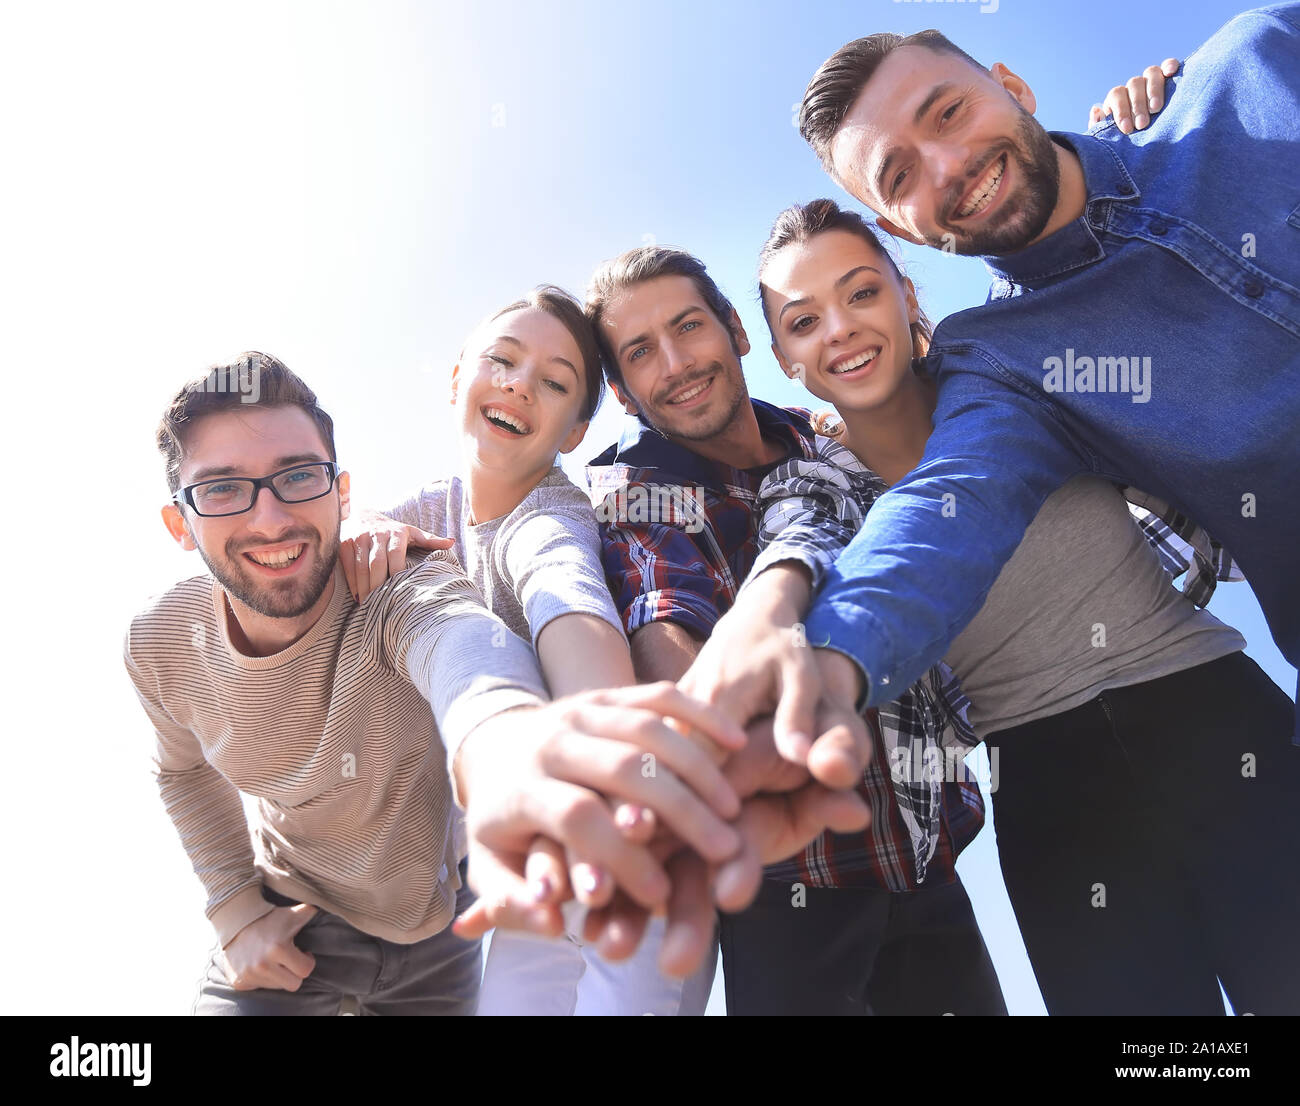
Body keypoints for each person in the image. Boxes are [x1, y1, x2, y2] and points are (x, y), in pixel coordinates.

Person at [690, 196, 1300, 1014]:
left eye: (861, 292)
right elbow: (794, 543)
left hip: (1216, 723)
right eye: (804, 321)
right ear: (784, 357)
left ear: (907, 295)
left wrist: (1137, 116)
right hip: (1051, 795)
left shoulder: (1015, 372)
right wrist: (762, 615)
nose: (839, 329)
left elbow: (1117, 253)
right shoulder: (816, 482)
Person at [124, 352, 755, 1014]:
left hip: (440, 938)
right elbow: (182, 771)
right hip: (292, 927)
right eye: (222, 489)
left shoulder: (401, 583)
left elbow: (467, 651)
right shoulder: (159, 641)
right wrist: (233, 912)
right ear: (179, 524)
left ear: (340, 492)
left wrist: (509, 752)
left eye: (297, 476)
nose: (271, 518)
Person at [579, 246, 1006, 1015]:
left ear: (738, 331)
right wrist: (704, 723)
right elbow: (662, 603)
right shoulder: (635, 490)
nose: (676, 363)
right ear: (619, 388)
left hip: (927, 863)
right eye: (641, 352)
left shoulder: (829, 441)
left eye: (688, 327)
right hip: (789, 893)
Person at [340, 286, 717, 1014]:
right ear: (458, 377)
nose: (519, 383)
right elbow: (342, 530)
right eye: (503, 360)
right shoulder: (432, 506)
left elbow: (564, 592)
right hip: (534, 851)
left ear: (574, 433)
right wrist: (359, 522)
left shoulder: (553, 514)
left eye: (554, 382)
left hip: (624, 836)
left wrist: (605, 741)